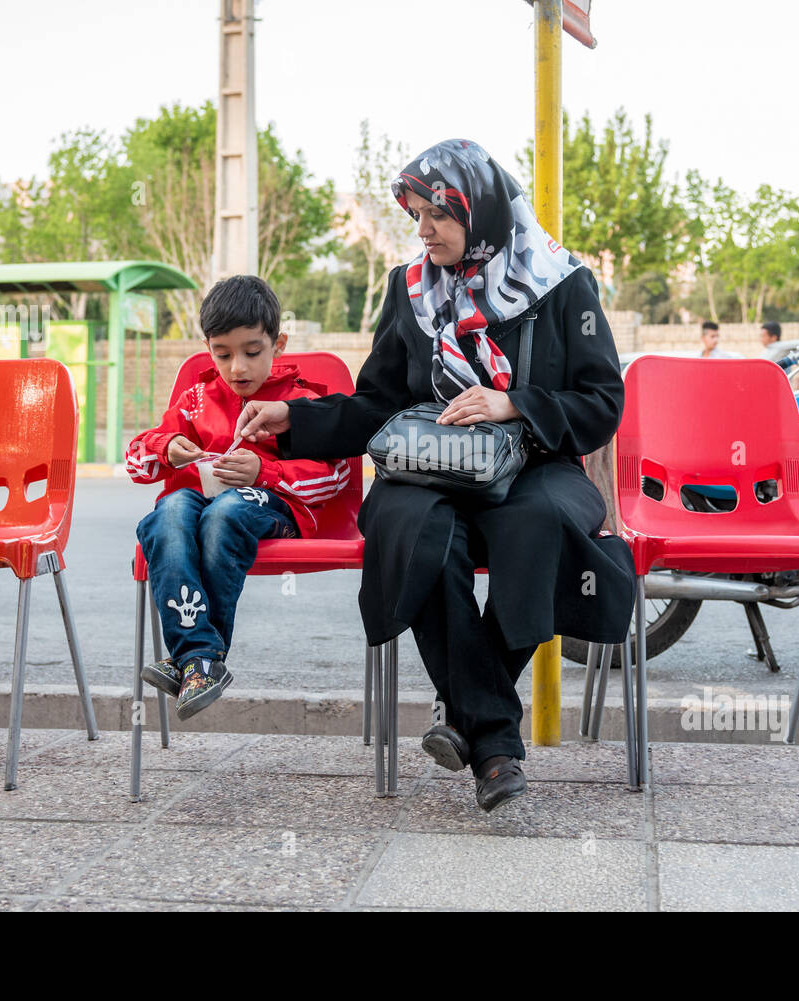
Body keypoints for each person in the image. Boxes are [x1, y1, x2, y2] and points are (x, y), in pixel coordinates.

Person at [236, 139, 635, 813]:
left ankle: (468, 716)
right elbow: (377, 402)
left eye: (436, 215)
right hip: (429, 468)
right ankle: (495, 745)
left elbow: (603, 401)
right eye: (415, 215)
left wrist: (513, 403)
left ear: (478, 211)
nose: (421, 231)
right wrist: (292, 419)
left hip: (537, 465)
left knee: (537, 524)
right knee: (415, 529)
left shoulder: (565, 284)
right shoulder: (409, 289)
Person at [127, 276, 350, 720]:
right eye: (222, 354)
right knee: (167, 513)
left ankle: (194, 657)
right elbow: (136, 464)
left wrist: (264, 472)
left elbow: (336, 478)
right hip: (197, 506)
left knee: (225, 512)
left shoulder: (301, 401)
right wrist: (167, 447)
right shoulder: (195, 400)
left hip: (272, 510)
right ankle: (200, 661)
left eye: (252, 352)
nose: (237, 368)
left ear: (278, 344)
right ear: (207, 347)